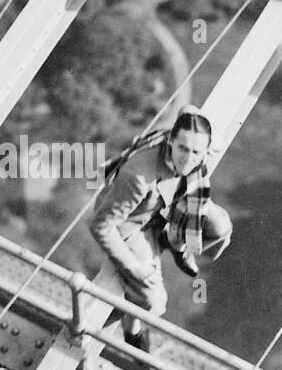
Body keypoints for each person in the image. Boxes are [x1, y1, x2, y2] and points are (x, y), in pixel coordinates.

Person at [90, 106, 233, 352]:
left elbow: (188, 109)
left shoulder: (197, 153)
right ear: (170, 141)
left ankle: (177, 245)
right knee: (154, 303)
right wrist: (131, 265)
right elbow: (102, 225)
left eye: (196, 152)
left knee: (221, 227)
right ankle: (131, 331)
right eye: (183, 149)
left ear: (206, 150)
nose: (188, 159)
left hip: (166, 206)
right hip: (133, 222)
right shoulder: (138, 176)